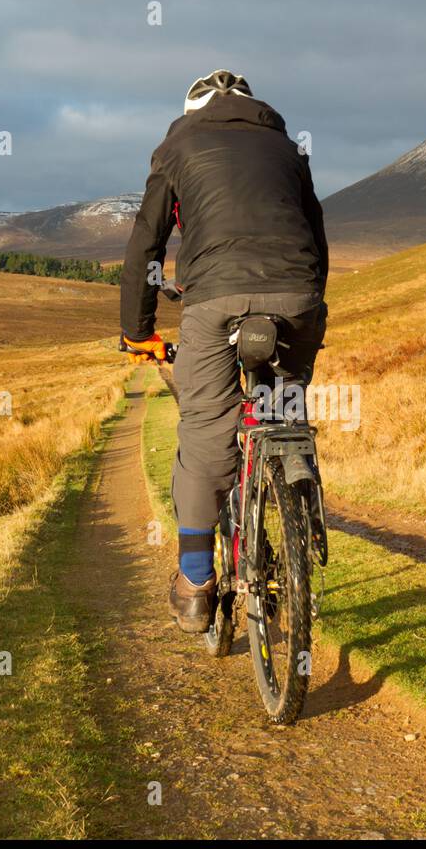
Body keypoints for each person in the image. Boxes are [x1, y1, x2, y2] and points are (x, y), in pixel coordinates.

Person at [119, 69, 328, 634]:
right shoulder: (286, 147)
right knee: (284, 401)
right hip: (298, 294)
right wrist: (309, 303)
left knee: (207, 432)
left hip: (215, 297)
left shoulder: (177, 145)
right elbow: (316, 229)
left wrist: (138, 331)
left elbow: (147, 243)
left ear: (193, 111)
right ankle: (298, 485)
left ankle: (195, 582)